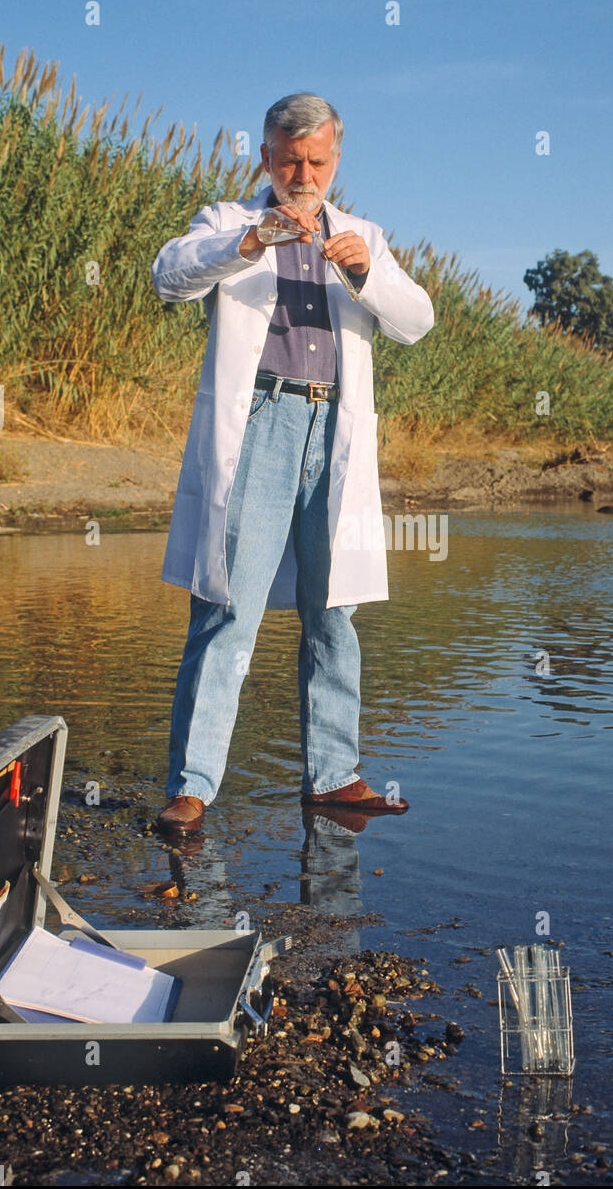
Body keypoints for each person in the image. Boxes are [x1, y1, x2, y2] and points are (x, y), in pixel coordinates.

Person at [150, 93, 434, 835]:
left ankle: (333, 777)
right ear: (265, 157)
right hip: (260, 422)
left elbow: (415, 322)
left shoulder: (362, 235)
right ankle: (193, 785)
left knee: (332, 609)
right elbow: (168, 277)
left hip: (333, 425)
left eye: (315, 161)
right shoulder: (226, 221)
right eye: (288, 160)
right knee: (226, 607)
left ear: (334, 160)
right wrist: (249, 244)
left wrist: (368, 273)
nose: (301, 174)